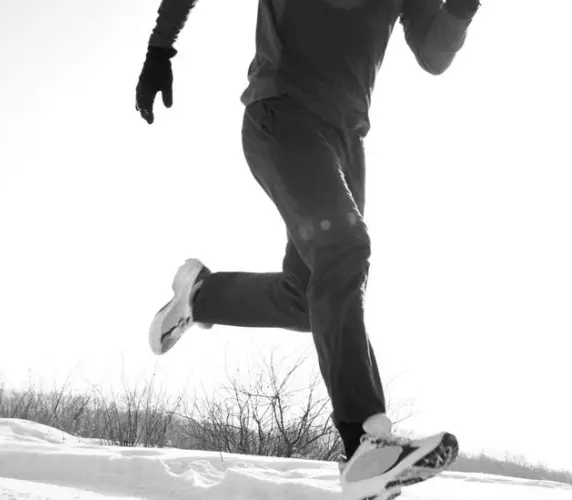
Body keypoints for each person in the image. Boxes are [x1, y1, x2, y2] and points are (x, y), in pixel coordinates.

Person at [135, 1, 480, 499]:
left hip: (344, 140)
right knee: (344, 247)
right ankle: (367, 445)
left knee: (308, 298)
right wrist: (159, 49)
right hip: (283, 113)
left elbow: (433, 54)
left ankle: (202, 297)